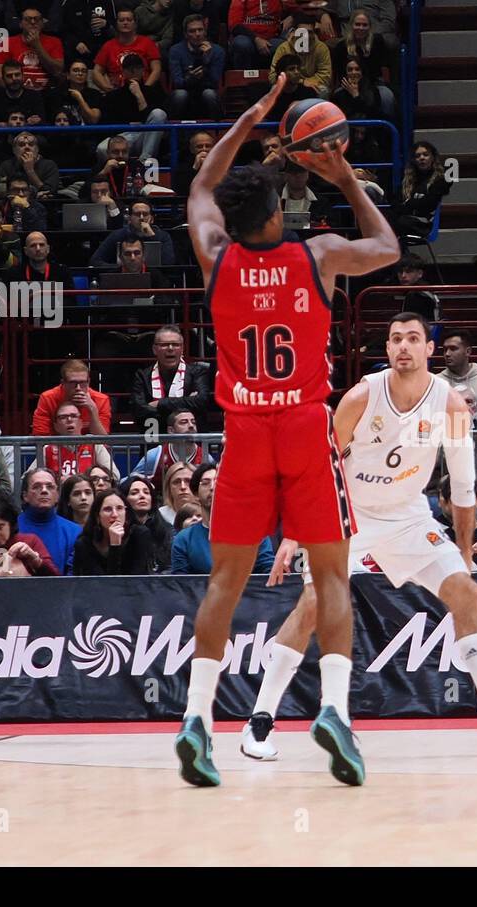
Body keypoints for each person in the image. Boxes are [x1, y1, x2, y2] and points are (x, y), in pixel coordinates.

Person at [175, 74, 400, 788]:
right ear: (277, 211)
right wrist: (344, 176)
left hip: (244, 433)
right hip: (306, 428)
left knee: (225, 583)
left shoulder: (217, 257)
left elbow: (199, 193)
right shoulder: (319, 253)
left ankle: (197, 720)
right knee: (331, 575)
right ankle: (334, 710)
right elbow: (389, 245)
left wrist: (247, 117)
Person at [246, 314, 477, 760]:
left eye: (413, 339)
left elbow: (463, 489)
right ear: (389, 348)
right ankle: (259, 724)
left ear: (429, 350)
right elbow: (319, 466)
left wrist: (465, 553)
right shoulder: (362, 396)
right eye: (396, 339)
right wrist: (295, 532)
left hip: (409, 516)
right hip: (347, 515)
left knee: (464, 592)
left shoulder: (450, 405)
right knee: (315, 605)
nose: (403, 347)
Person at [169, 463, 273, 574]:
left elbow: (268, 576)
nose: (213, 487)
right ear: (196, 494)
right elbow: (180, 584)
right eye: (205, 483)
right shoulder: (184, 540)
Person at [72, 488, 154, 575]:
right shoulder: (84, 543)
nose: (115, 514)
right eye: (108, 509)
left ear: (126, 513)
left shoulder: (140, 535)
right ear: (97, 517)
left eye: (119, 508)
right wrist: (115, 545)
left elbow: (136, 580)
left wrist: (115, 546)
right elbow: (105, 584)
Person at [16, 467, 81, 574]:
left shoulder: (74, 532)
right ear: (25, 496)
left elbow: (73, 576)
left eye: (50, 487)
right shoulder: (11, 528)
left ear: (57, 496)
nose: (44, 491)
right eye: (37, 487)